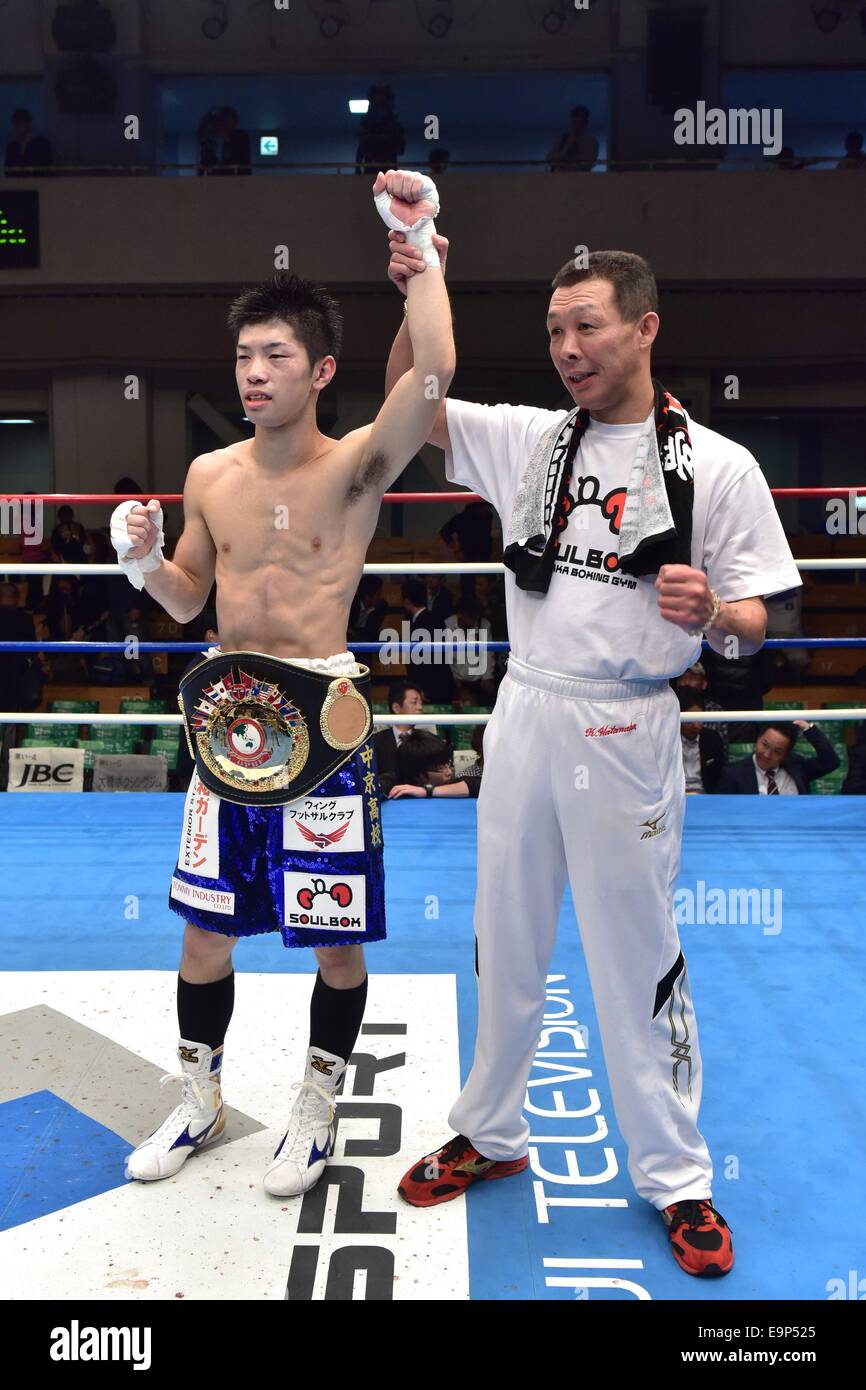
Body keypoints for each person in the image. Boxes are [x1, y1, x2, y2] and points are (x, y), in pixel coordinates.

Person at [383, 236, 803, 1278]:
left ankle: (676, 1176)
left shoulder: (717, 467)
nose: (567, 348)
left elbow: (758, 625)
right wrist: (418, 284)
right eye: (554, 331)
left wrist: (714, 613)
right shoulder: (528, 438)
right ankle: (490, 1130)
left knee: (635, 960)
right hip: (524, 708)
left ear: (644, 327)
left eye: (587, 326)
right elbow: (407, 400)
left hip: (627, 724)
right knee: (503, 939)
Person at [110, 170, 454, 1199]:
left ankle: (315, 1106)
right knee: (204, 928)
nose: (252, 373)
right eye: (243, 357)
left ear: (320, 370)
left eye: (274, 357)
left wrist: (421, 243)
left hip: (326, 726)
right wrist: (140, 567)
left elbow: (432, 371)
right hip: (228, 727)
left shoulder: (353, 467)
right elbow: (184, 601)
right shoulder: (209, 474)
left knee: (332, 941)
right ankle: (202, 1097)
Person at [716, 720, 838, 794]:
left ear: (786, 754)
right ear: (757, 739)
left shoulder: (797, 766)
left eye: (777, 751)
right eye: (764, 745)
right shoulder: (733, 773)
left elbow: (830, 761)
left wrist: (808, 728)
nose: (767, 754)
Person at [388, 729, 482, 799]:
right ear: (418, 774)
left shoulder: (451, 784)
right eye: (441, 768)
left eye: (448, 764)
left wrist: (427, 791)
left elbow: (478, 785)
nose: (449, 772)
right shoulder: (392, 783)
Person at [372, 679, 424, 795]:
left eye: (421, 703)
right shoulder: (376, 741)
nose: (420, 707)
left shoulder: (426, 740)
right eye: (414, 702)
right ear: (396, 708)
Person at [677, 689, 726, 793]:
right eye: (690, 721)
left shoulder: (713, 739)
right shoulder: (668, 739)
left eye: (699, 718)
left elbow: (720, 776)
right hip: (676, 796)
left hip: (705, 796)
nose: (695, 725)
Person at [355, 85, 405, 175]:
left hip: (387, 168)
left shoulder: (393, 124)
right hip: (373, 168)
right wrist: (357, 167)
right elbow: (362, 146)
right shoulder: (367, 123)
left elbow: (401, 149)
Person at [546, 105, 598, 172]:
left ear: (585, 123)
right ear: (571, 122)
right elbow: (549, 160)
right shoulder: (562, 139)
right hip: (562, 180)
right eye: (575, 123)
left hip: (582, 180)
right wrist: (566, 150)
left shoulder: (592, 142)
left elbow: (589, 163)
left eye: (580, 123)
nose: (577, 126)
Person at [4, 108, 52, 173]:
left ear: (28, 123)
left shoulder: (42, 144)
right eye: (15, 124)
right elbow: (8, 171)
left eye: (19, 123)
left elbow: (45, 169)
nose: (16, 127)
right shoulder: (11, 147)